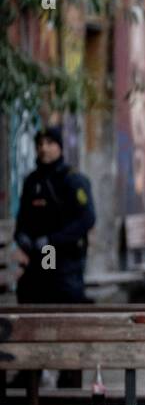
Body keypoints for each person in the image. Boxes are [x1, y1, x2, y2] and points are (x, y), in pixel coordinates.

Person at [15, 127, 95, 306]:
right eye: (40, 144)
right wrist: (23, 238)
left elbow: (87, 218)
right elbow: (22, 221)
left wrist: (52, 240)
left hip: (65, 259)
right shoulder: (32, 181)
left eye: (50, 143)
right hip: (39, 258)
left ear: (59, 147)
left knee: (63, 298)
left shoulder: (73, 180)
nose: (44, 148)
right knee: (30, 293)